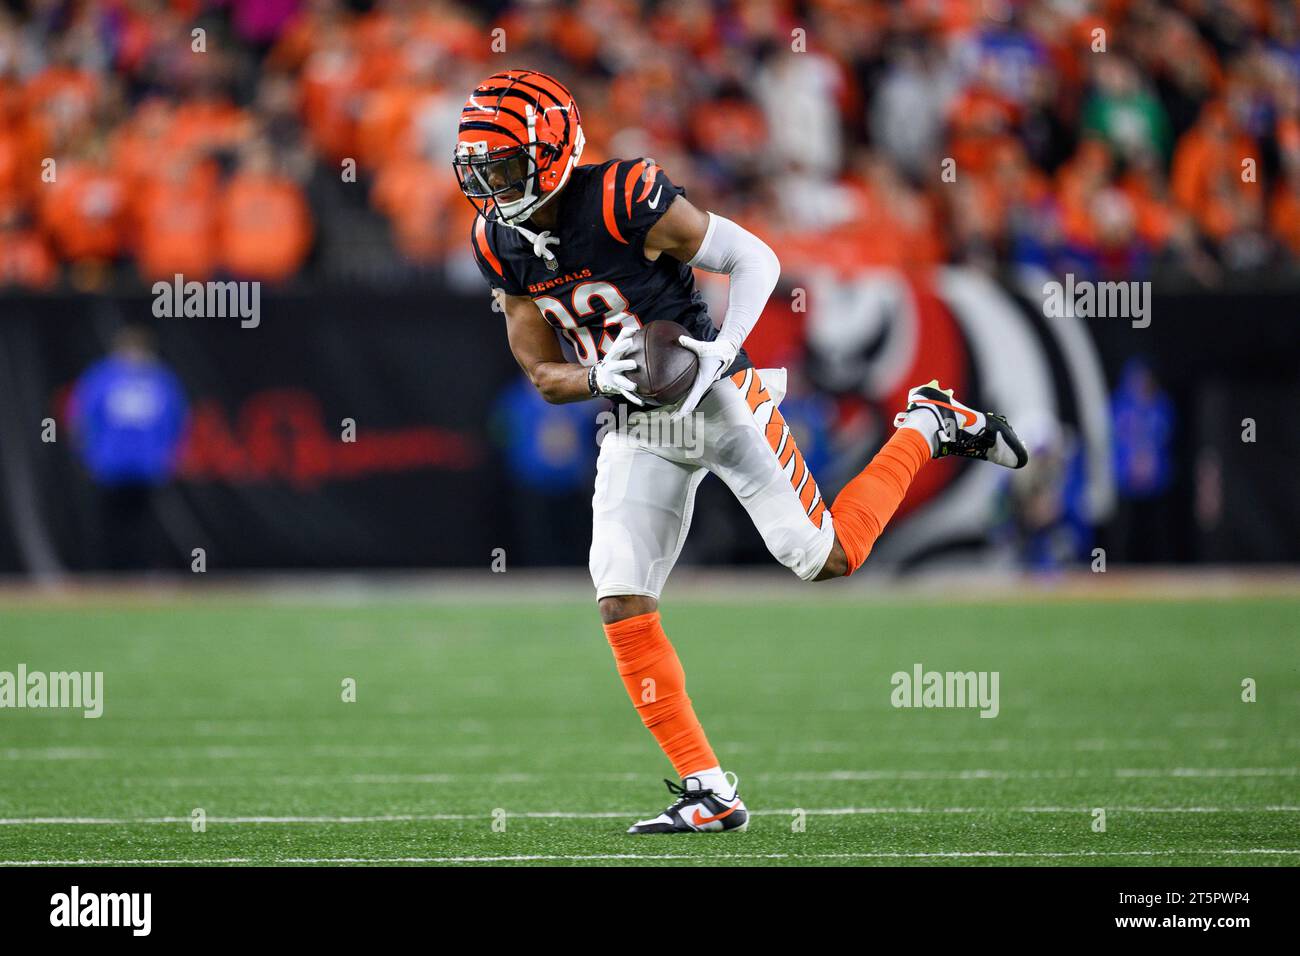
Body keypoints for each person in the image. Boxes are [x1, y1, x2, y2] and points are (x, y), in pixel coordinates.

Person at [454, 70, 1030, 834]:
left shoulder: (626, 195)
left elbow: (753, 256)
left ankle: (926, 424)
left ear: (555, 151)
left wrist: (723, 351)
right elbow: (540, 372)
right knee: (621, 593)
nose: (491, 188)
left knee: (822, 557)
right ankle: (708, 789)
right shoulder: (499, 242)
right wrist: (597, 373)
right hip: (638, 420)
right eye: (479, 171)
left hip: (718, 398)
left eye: (504, 167)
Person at [69, 325, 188, 570]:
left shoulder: (161, 379)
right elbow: (81, 417)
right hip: (109, 465)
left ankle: (143, 572)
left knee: (146, 526)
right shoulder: (102, 377)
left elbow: (178, 420)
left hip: (147, 466)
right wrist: (87, 454)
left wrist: (169, 457)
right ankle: (106, 573)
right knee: (108, 525)